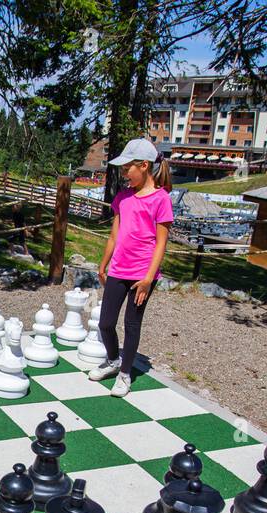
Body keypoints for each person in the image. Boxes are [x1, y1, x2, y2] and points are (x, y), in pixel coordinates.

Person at [92, 137, 173, 396]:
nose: (124, 173)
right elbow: (115, 235)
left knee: (131, 324)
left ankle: (125, 374)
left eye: (128, 168)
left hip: (142, 275)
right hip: (118, 269)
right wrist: (103, 265)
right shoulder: (123, 197)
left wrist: (149, 278)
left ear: (145, 166)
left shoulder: (161, 199)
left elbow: (161, 244)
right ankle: (114, 360)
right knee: (105, 323)